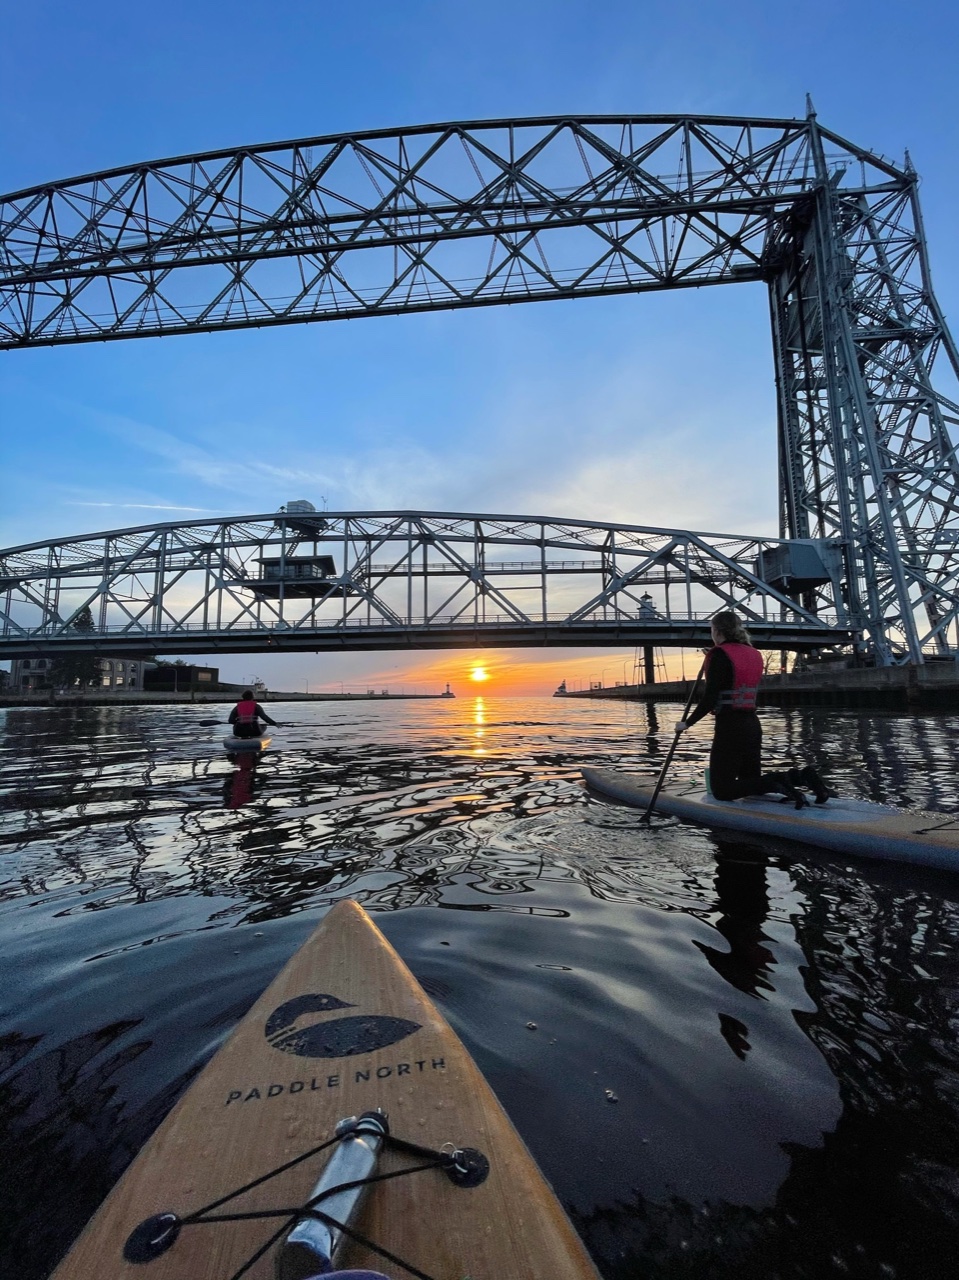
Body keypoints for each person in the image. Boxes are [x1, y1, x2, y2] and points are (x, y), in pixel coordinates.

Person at [677, 611, 834, 807]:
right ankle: (801, 776)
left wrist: (686, 723)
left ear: (716, 631)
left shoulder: (718, 655)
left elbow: (710, 697)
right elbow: (733, 670)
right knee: (749, 782)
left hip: (730, 728)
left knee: (722, 791)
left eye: (712, 630)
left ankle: (779, 782)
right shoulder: (753, 653)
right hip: (752, 725)